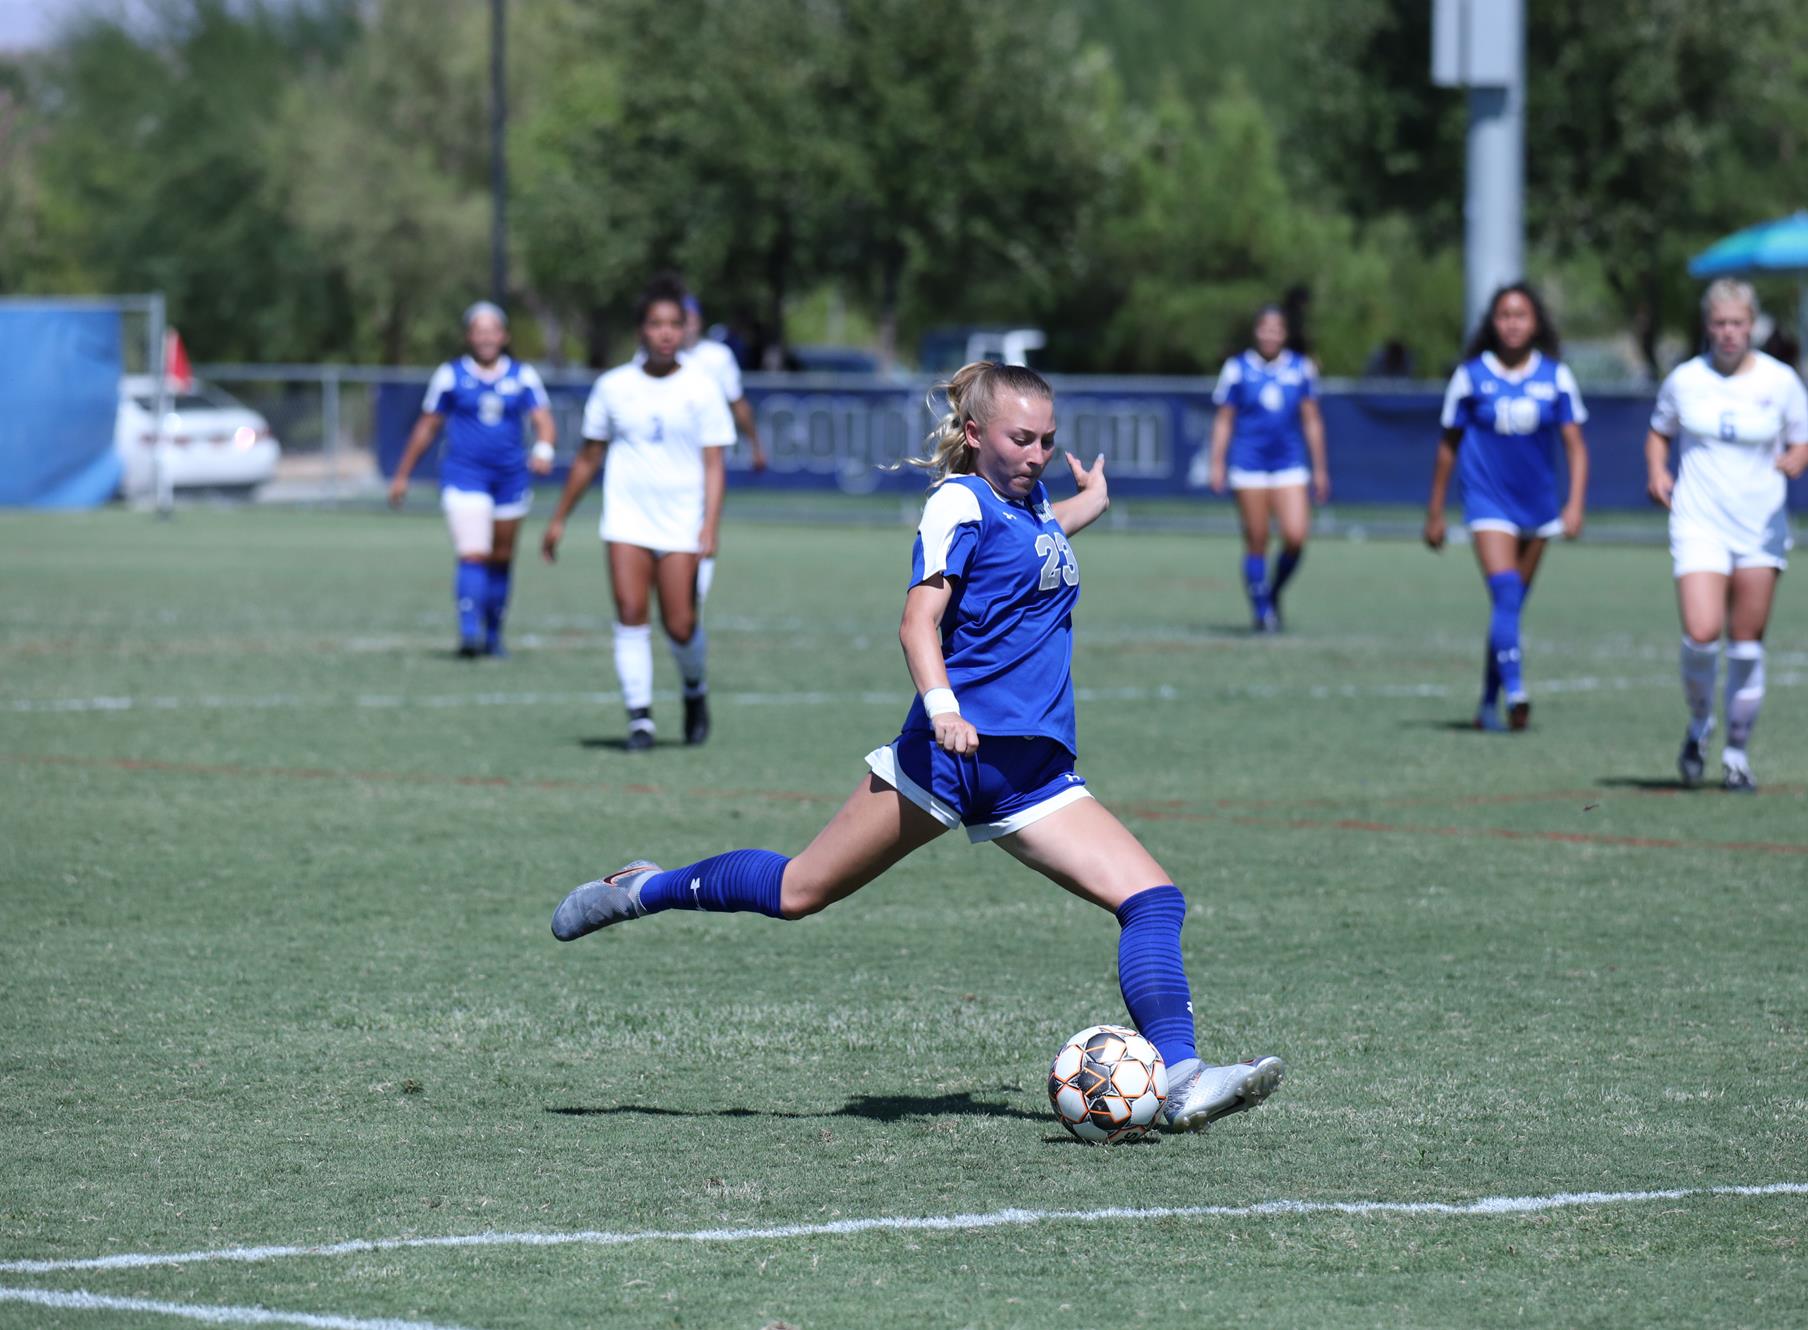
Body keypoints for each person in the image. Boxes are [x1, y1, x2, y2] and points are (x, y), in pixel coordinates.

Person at [550, 361, 1285, 1135]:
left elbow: (1031, 545)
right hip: (952, 756)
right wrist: (941, 708)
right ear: (974, 435)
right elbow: (917, 621)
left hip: (1032, 772)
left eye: (1047, 440)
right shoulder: (957, 503)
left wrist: (1090, 501)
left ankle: (1181, 1077)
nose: (1037, 454)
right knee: (799, 891)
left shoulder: (1029, 506)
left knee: (1153, 901)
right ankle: (645, 887)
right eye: (1020, 438)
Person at [542, 274, 735, 751]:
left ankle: (694, 689)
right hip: (626, 519)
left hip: (681, 523)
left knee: (680, 625)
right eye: (656, 324)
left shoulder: (702, 388)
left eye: (674, 324)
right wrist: (559, 516)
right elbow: (589, 457)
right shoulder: (613, 386)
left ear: (685, 330)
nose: (666, 332)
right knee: (630, 613)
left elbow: (714, 464)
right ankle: (640, 719)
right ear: (640, 332)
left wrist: (709, 526)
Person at [1645, 279, 1808, 792]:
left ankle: (1737, 753)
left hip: (1760, 528)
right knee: (1700, 632)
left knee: (1745, 644)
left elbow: (1804, 443)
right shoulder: (1685, 379)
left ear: (1752, 325)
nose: (1728, 332)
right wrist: (1657, 471)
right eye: (1719, 323)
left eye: (1738, 323)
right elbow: (1660, 431)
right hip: (1699, 521)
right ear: (1707, 326)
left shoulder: (1782, 382)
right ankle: (1700, 726)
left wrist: (1794, 460)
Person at [1423, 283, 1590, 731]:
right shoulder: (1471, 376)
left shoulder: (1555, 377)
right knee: (1506, 594)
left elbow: (1575, 447)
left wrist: (1574, 505)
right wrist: (1435, 511)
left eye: (1520, 315)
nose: (1512, 323)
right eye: (1503, 315)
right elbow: (1447, 447)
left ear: (1535, 322)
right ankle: (1516, 691)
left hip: (1537, 507)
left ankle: (1485, 703)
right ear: (1492, 323)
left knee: (1508, 609)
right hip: (1486, 501)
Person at [387, 302, 556, 657]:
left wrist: (543, 449)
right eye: (479, 331)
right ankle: (469, 635)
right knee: (473, 553)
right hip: (465, 475)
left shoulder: (522, 376)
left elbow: (543, 420)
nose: (486, 337)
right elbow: (427, 426)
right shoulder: (451, 376)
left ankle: (494, 635)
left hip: (510, 478)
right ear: (469, 337)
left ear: (504, 335)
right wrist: (402, 475)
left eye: (492, 330)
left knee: (501, 556)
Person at [1206, 306, 1330, 631]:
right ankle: (1262, 613)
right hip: (1249, 464)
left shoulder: (1301, 369)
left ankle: (1272, 593)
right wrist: (1216, 462)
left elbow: (1312, 420)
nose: (1270, 334)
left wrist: (1320, 468)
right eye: (1265, 328)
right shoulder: (1237, 368)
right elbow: (1224, 420)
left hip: (1289, 463)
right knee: (1258, 538)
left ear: (1285, 333)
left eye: (1277, 328)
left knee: (1295, 536)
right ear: (1256, 331)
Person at [676, 295, 765, 605]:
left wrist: (755, 443)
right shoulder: (653, 357)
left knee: (703, 516)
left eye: (689, 318)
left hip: (705, 453)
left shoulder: (716, 356)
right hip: (669, 455)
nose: (684, 325)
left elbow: (737, 402)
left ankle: (696, 589)